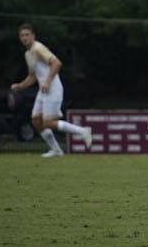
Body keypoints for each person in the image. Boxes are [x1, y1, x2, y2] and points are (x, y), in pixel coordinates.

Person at [10, 23, 92, 157]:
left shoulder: (38, 48)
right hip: (43, 90)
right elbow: (32, 76)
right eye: (22, 35)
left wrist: (47, 81)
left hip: (53, 88)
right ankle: (56, 150)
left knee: (48, 122)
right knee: (36, 121)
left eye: (27, 35)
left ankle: (82, 131)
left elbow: (57, 63)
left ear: (33, 36)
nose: (24, 38)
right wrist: (19, 86)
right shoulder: (28, 54)